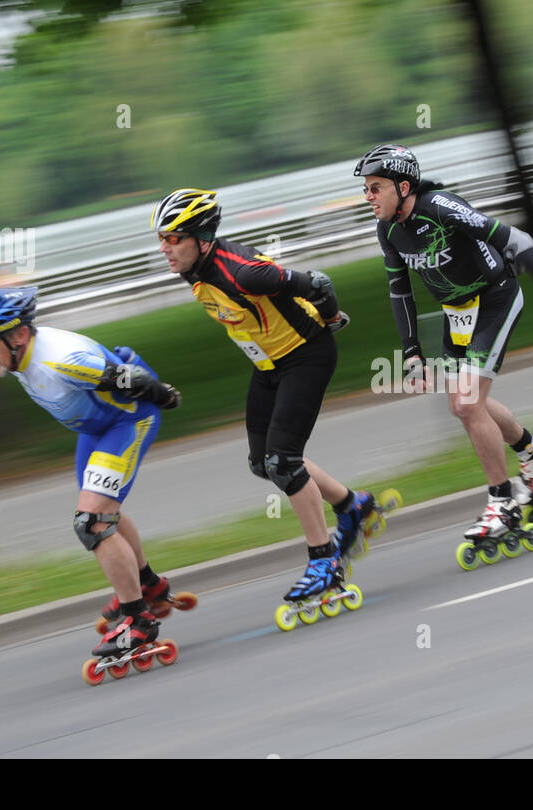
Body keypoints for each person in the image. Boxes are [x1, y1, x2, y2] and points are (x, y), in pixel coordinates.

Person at [151, 187, 380, 606]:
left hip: (306, 355)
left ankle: (323, 561)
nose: (165, 249)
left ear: (201, 239)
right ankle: (354, 506)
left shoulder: (245, 272)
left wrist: (331, 318)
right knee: (264, 463)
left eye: (173, 238)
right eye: (161, 240)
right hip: (269, 366)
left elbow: (319, 284)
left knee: (284, 461)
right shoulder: (194, 268)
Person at [354, 143, 533, 547]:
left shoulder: (440, 207)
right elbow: (400, 292)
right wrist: (411, 352)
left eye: (376, 188)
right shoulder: (387, 229)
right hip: (456, 311)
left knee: (466, 402)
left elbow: (519, 239)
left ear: (403, 186)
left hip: (496, 298)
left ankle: (503, 501)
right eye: (366, 189)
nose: (368, 197)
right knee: (462, 403)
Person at [0, 286, 184, 657]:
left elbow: (129, 376)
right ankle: (147, 585)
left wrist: (164, 395)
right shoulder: (20, 354)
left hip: (127, 421)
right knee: (103, 512)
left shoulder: (62, 359)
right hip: (95, 429)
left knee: (92, 521)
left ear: (19, 334)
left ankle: (139, 621)